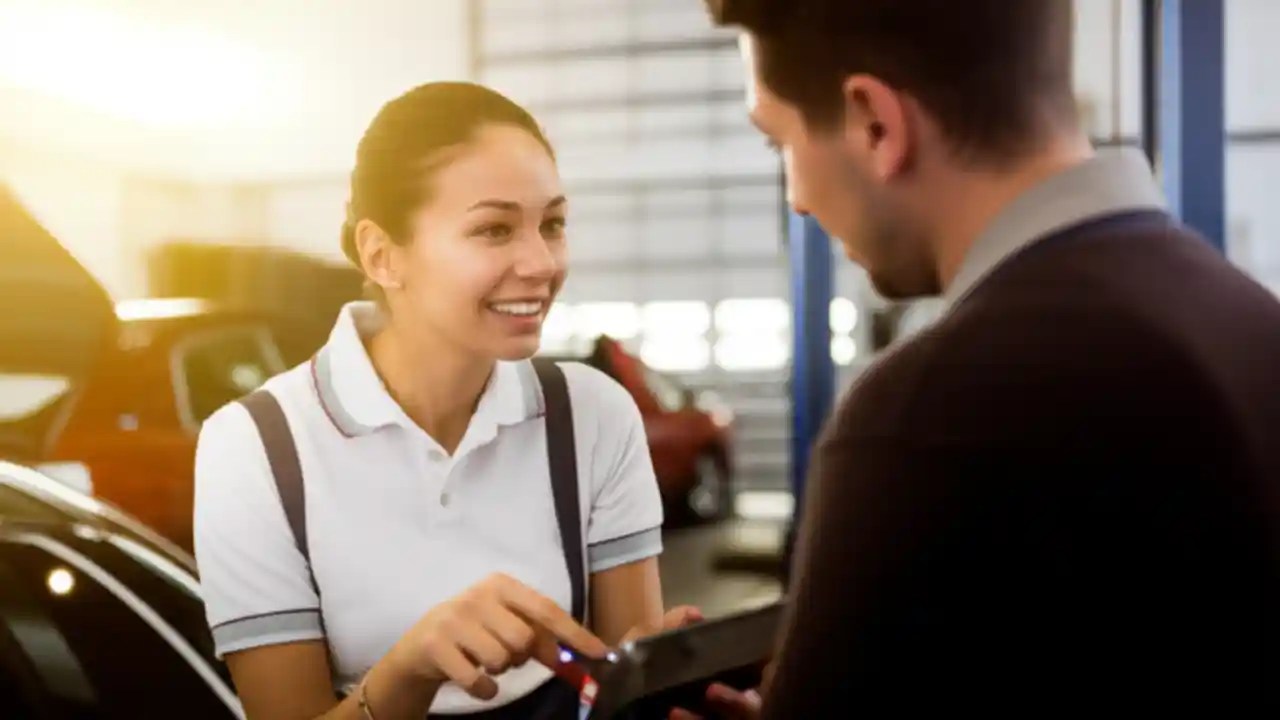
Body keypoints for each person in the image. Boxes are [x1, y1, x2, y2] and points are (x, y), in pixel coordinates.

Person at [677, 0, 1280, 717]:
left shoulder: (926, 417)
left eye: (780, 145)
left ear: (875, 122)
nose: (798, 199)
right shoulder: (1247, 319)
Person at [194, 82, 697, 720]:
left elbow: (609, 682)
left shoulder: (593, 415)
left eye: (552, 224)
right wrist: (411, 669)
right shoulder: (256, 447)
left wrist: (660, 686)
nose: (541, 262)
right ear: (382, 256)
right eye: (493, 229)